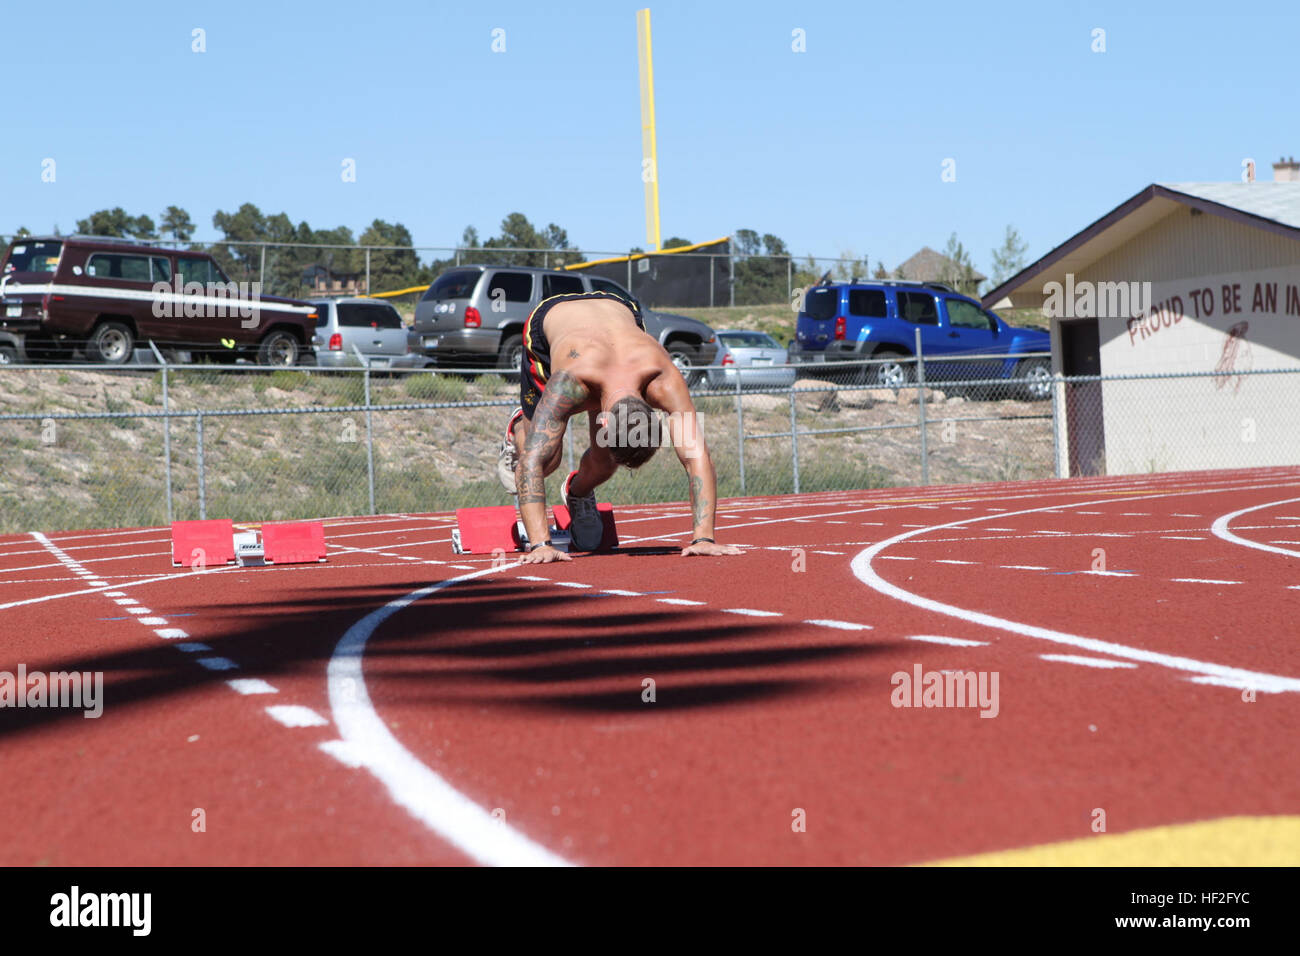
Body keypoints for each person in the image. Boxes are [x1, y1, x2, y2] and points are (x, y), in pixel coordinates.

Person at [496, 289, 741, 564]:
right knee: (547, 458)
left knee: (604, 463)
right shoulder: (569, 383)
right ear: (603, 421)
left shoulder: (664, 380)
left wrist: (704, 538)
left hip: (619, 307)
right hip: (551, 321)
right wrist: (541, 543)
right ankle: (518, 426)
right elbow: (531, 462)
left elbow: (698, 456)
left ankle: (577, 493)